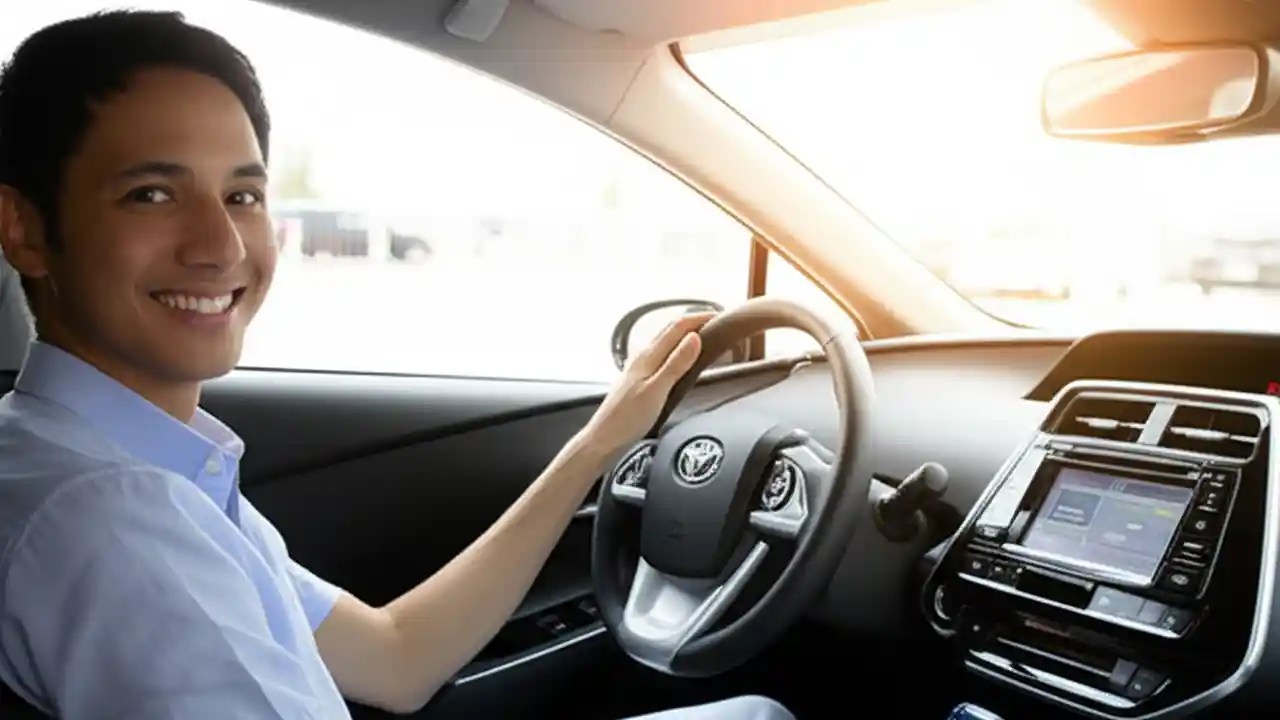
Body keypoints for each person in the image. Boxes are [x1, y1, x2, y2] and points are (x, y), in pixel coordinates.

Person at [0, 10, 794, 720]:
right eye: (151, 195)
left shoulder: (92, 460)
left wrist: (598, 444)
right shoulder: (110, 518)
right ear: (24, 229)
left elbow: (396, 655)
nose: (221, 247)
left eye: (242, 197)